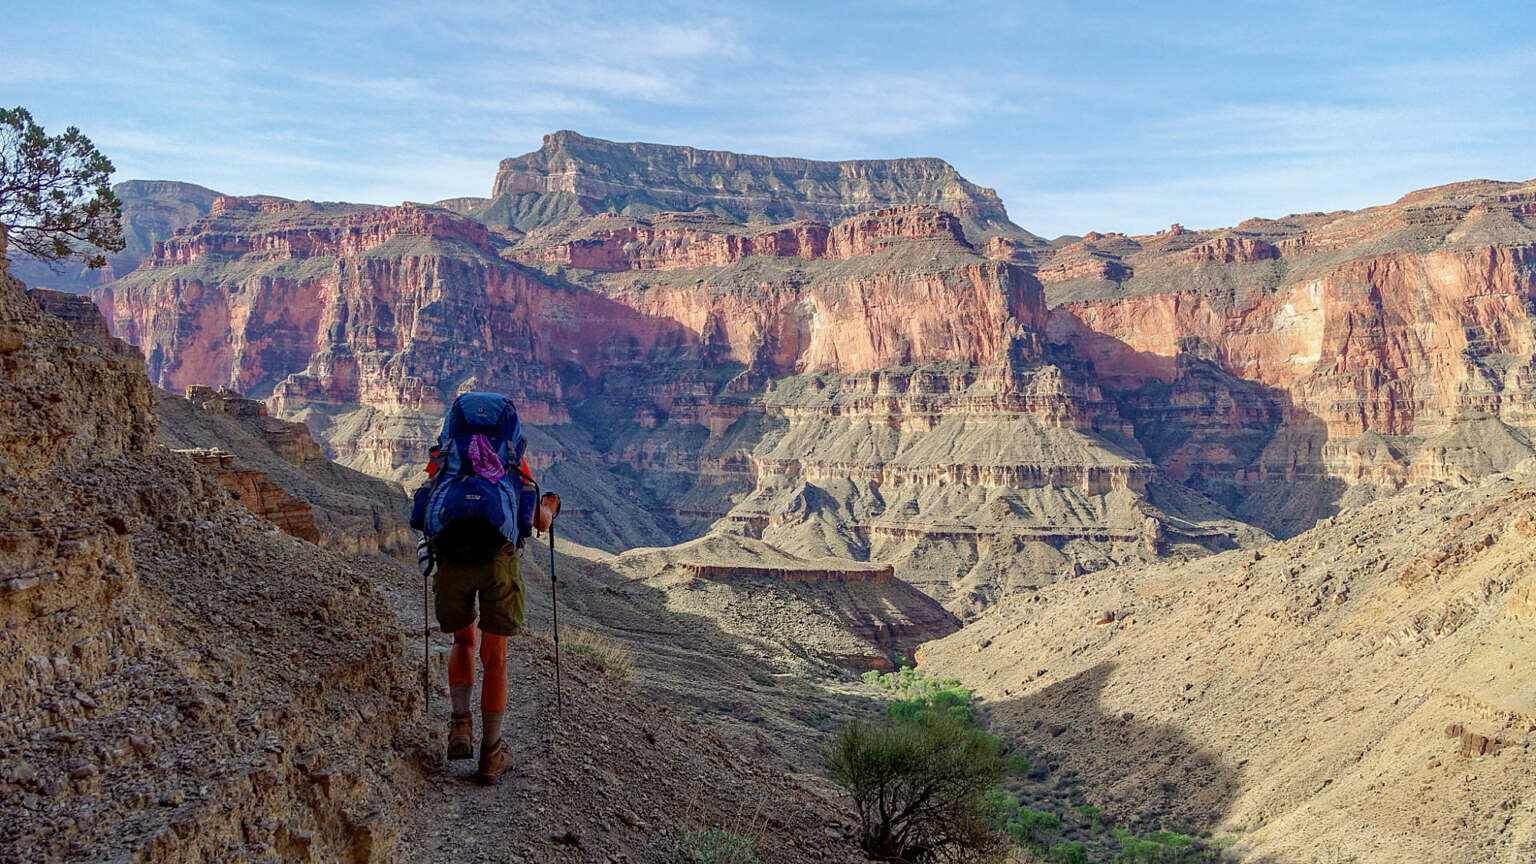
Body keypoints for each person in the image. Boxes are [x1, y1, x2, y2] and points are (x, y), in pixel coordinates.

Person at [412, 393, 536, 785]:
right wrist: (550, 508)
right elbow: (533, 518)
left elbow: (425, 501)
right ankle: (491, 755)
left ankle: (460, 726)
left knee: (463, 643)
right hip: (497, 562)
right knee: (494, 657)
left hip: (451, 558)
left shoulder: (446, 455)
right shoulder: (512, 459)